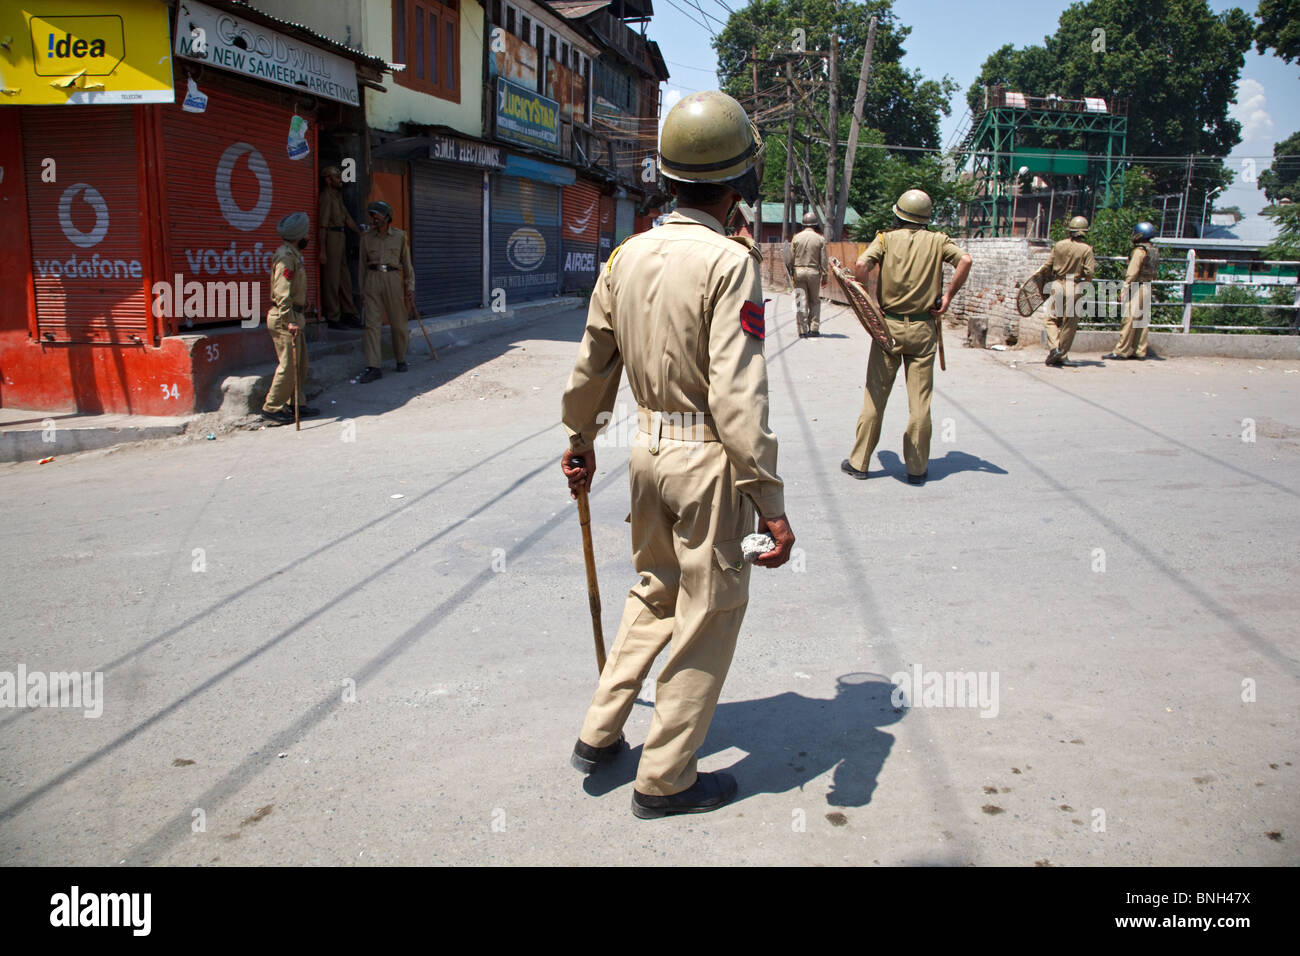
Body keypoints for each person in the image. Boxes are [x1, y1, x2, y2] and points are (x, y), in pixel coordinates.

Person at [560, 90, 796, 819]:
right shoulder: (729, 263)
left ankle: (600, 734)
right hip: (707, 462)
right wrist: (771, 502)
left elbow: (592, 365)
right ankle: (665, 779)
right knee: (709, 608)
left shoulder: (628, 255)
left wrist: (580, 441)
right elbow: (736, 396)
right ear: (736, 183)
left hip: (645, 449)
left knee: (655, 589)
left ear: (668, 176)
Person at [841, 189, 972, 484]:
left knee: (875, 396)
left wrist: (865, 299)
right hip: (924, 329)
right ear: (926, 217)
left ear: (898, 213)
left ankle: (859, 463)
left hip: (888, 327)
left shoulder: (886, 239)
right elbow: (965, 260)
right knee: (920, 402)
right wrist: (948, 297)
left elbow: (861, 265)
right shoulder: (939, 241)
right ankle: (916, 468)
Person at [261, 212, 319, 425]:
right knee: (288, 365)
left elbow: (293, 289)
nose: (308, 237)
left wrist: (303, 304)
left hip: (295, 314)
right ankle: (271, 408)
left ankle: (297, 404)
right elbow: (281, 292)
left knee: (300, 365)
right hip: (285, 318)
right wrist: (290, 320)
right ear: (299, 235)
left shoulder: (293, 254)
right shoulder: (286, 257)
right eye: (306, 233)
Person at [357, 200, 415, 383]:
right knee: (371, 325)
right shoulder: (366, 238)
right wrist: (361, 291)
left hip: (393, 278)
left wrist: (410, 287)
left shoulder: (400, 237)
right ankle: (373, 366)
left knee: (398, 323)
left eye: (377, 215)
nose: (374, 218)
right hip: (372, 279)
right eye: (372, 215)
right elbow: (361, 267)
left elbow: (407, 264)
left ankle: (400, 359)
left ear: (387, 217)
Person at [1043, 215, 1096, 367]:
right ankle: (1062, 354)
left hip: (1057, 284)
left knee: (1050, 319)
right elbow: (1090, 272)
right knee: (1069, 323)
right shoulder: (1086, 249)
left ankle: (1054, 348)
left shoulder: (1059, 245)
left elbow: (1048, 265)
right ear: (1085, 231)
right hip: (1075, 286)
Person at [1104, 221, 1159, 361]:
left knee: (1128, 319)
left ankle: (1120, 351)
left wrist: (1124, 288)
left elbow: (1132, 272)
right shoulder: (1153, 250)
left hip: (1136, 287)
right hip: (1147, 286)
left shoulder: (1139, 251)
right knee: (1142, 321)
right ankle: (1139, 351)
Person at [319, 165, 363, 330]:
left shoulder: (337, 197)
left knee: (344, 279)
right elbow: (322, 226)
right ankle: (333, 316)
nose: (340, 180)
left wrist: (360, 233)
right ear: (328, 180)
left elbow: (347, 219)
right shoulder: (326, 198)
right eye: (336, 177)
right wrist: (322, 250)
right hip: (331, 237)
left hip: (341, 237)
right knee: (332, 280)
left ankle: (349, 313)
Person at [791, 210, 828, 337]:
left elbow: (791, 257)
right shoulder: (820, 239)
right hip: (814, 272)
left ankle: (802, 330)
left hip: (798, 271)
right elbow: (823, 260)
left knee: (801, 300)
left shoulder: (796, 238)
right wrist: (825, 276)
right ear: (815, 225)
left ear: (803, 224)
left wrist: (791, 272)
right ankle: (814, 328)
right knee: (815, 301)